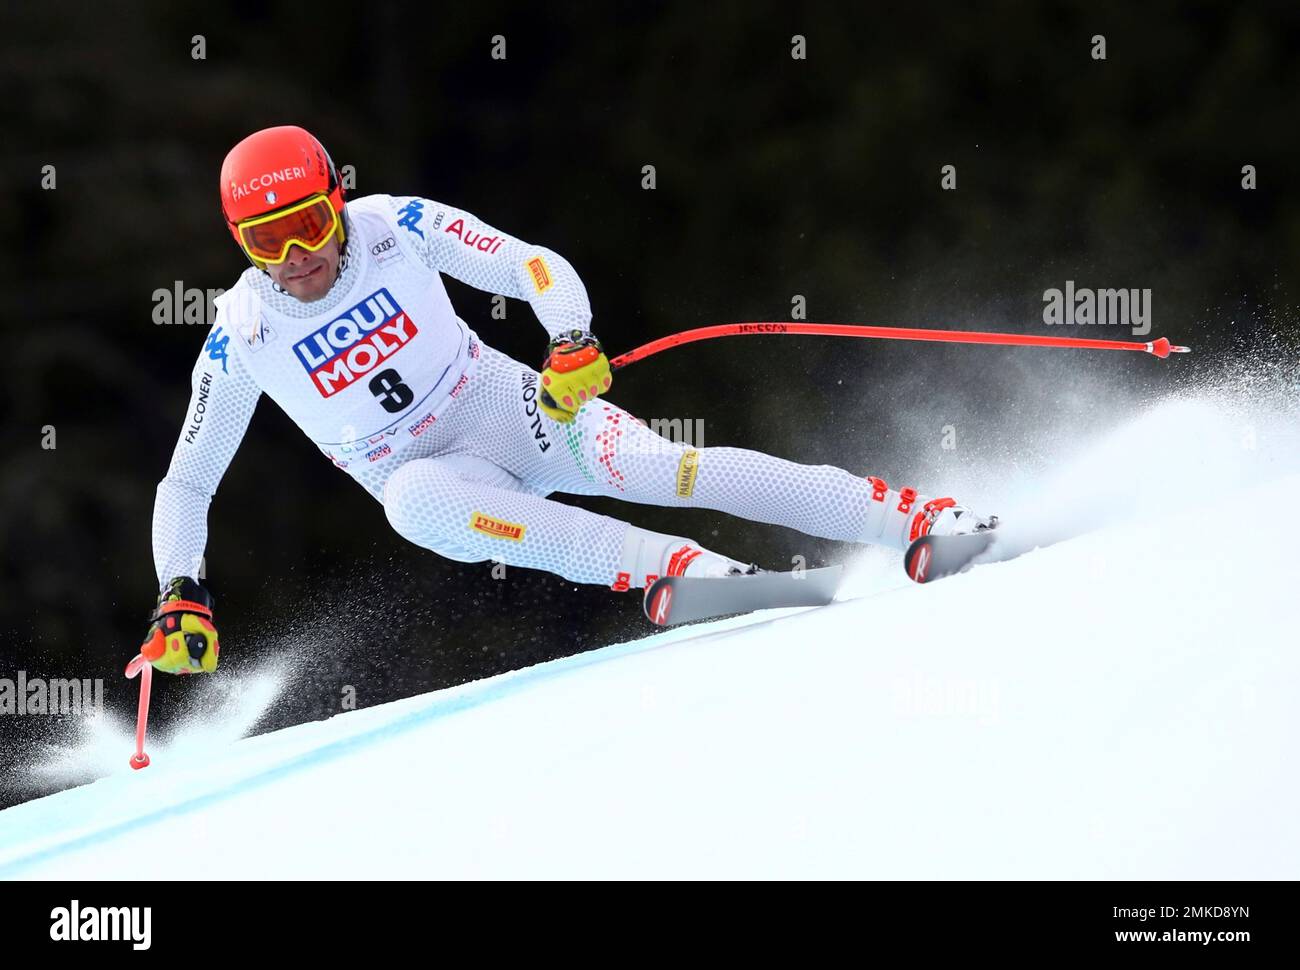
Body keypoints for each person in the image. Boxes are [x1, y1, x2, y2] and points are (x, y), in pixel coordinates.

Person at [141, 125, 994, 674]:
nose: (295, 255)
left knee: (669, 466)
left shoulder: (392, 225)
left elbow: (528, 263)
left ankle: (913, 520)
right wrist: (181, 590)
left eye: (310, 227)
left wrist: (569, 340)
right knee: (409, 501)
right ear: (239, 243)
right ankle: (676, 569)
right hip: (437, 480)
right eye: (266, 239)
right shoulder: (240, 334)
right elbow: (187, 482)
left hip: (517, 409)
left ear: (336, 203)